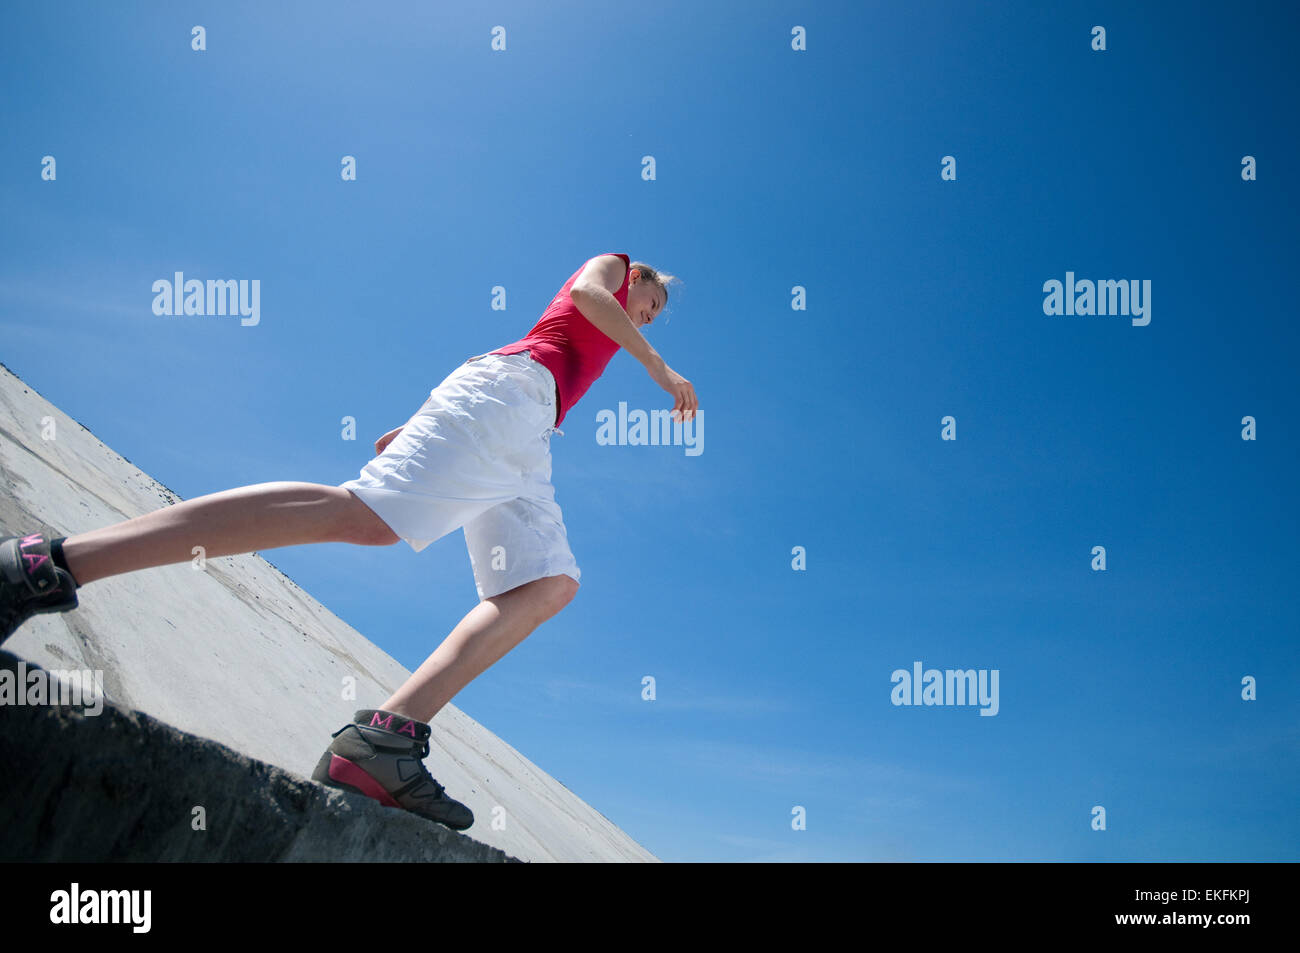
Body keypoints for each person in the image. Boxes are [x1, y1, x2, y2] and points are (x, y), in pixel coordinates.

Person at [0, 252, 697, 831]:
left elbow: (518, 363)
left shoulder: (589, 346)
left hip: (526, 430)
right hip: (511, 398)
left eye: (653, 317)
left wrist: (421, 421)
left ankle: (385, 738)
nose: (644, 315)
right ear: (635, 280)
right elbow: (580, 299)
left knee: (548, 583)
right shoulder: (613, 268)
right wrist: (658, 366)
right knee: (365, 517)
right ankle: (45, 564)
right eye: (649, 304)